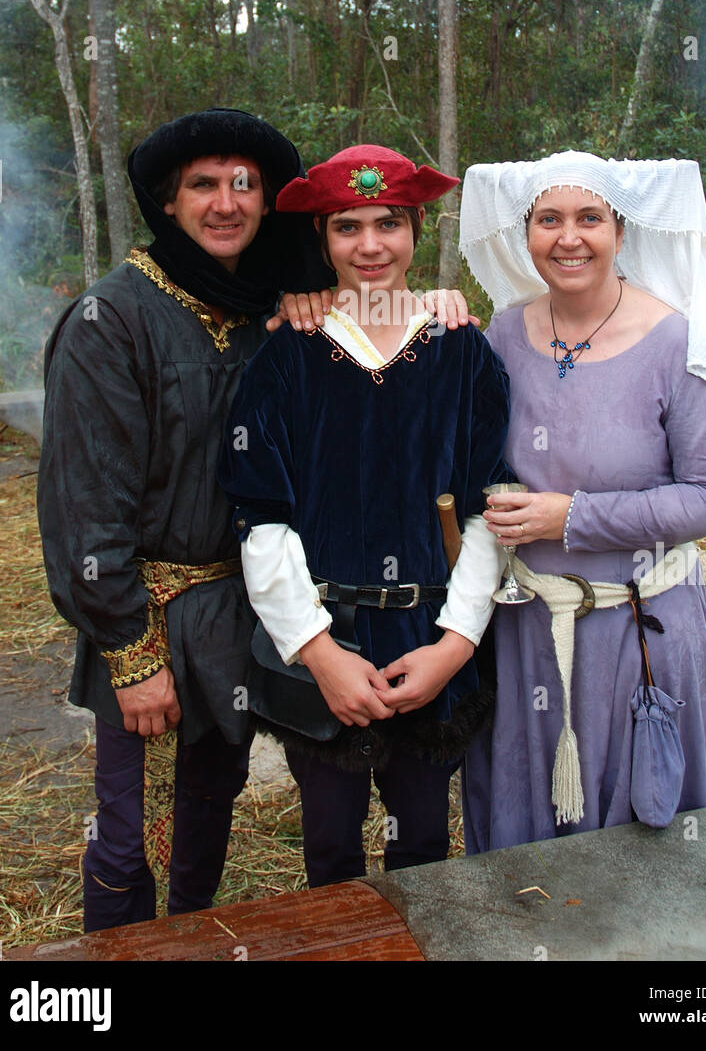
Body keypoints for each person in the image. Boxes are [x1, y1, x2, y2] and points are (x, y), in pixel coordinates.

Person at [37, 107, 336, 931]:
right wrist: (130, 658)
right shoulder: (114, 318)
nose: (226, 202)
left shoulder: (263, 307)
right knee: (133, 838)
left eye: (245, 183)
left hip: (238, 615)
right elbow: (84, 504)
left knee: (207, 818)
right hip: (152, 617)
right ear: (168, 201)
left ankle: (189, 944)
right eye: (203, 185)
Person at [218, 145, 510, 887]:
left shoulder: (462, 351)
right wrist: (318, 653)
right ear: (322, 240)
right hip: (328, 644)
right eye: (348, 227)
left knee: (422, 851)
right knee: (333, 856)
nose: (371, 246)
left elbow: (486, 508)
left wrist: (455, 644)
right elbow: (262, 516)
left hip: (429, 640)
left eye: (389, 223)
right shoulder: (288, 357)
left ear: (416, 229)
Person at [458, 150, 706, 850]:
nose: (569, 237)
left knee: (635, 832)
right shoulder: (504, 333)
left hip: (637, 628)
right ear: (525, 233)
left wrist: (575, 515)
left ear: (620, 229)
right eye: (548, 219)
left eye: (590, 218)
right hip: (530, 627)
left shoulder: (675, 341)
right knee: (531, 826)